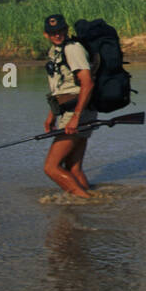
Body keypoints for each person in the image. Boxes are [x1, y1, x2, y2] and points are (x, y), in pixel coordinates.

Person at [42, 14, 96, 197]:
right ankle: (93, 202)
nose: (57, 35)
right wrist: (52, 116)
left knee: (51, 167)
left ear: (66, 30)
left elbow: (87, 83)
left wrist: (76, 117)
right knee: (73, 168)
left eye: (60, 31)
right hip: (75, 111)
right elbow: (61, 88)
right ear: (46, 34)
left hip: (77, 112)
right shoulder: (55, 51)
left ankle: (86, 202)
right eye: (52, 33)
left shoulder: (73, 49)